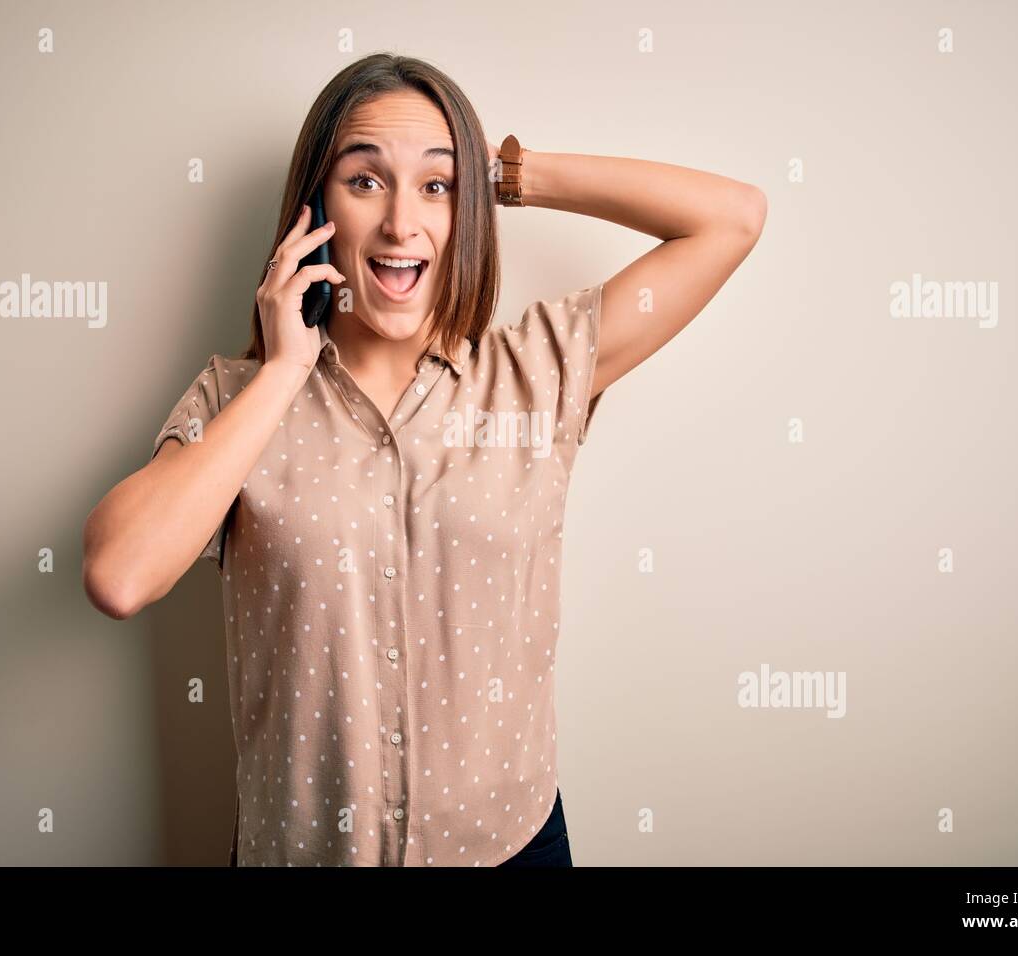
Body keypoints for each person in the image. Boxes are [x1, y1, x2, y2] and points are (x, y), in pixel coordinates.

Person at [82, 52, 766, 867]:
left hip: (511, 851)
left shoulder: (533, 374)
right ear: (314, 210)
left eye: (436, 187)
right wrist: (284, 368)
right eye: (365, 181)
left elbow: (733, 217)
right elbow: (120, 575)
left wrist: (507, 175)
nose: (403, 222)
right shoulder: (240, 399)